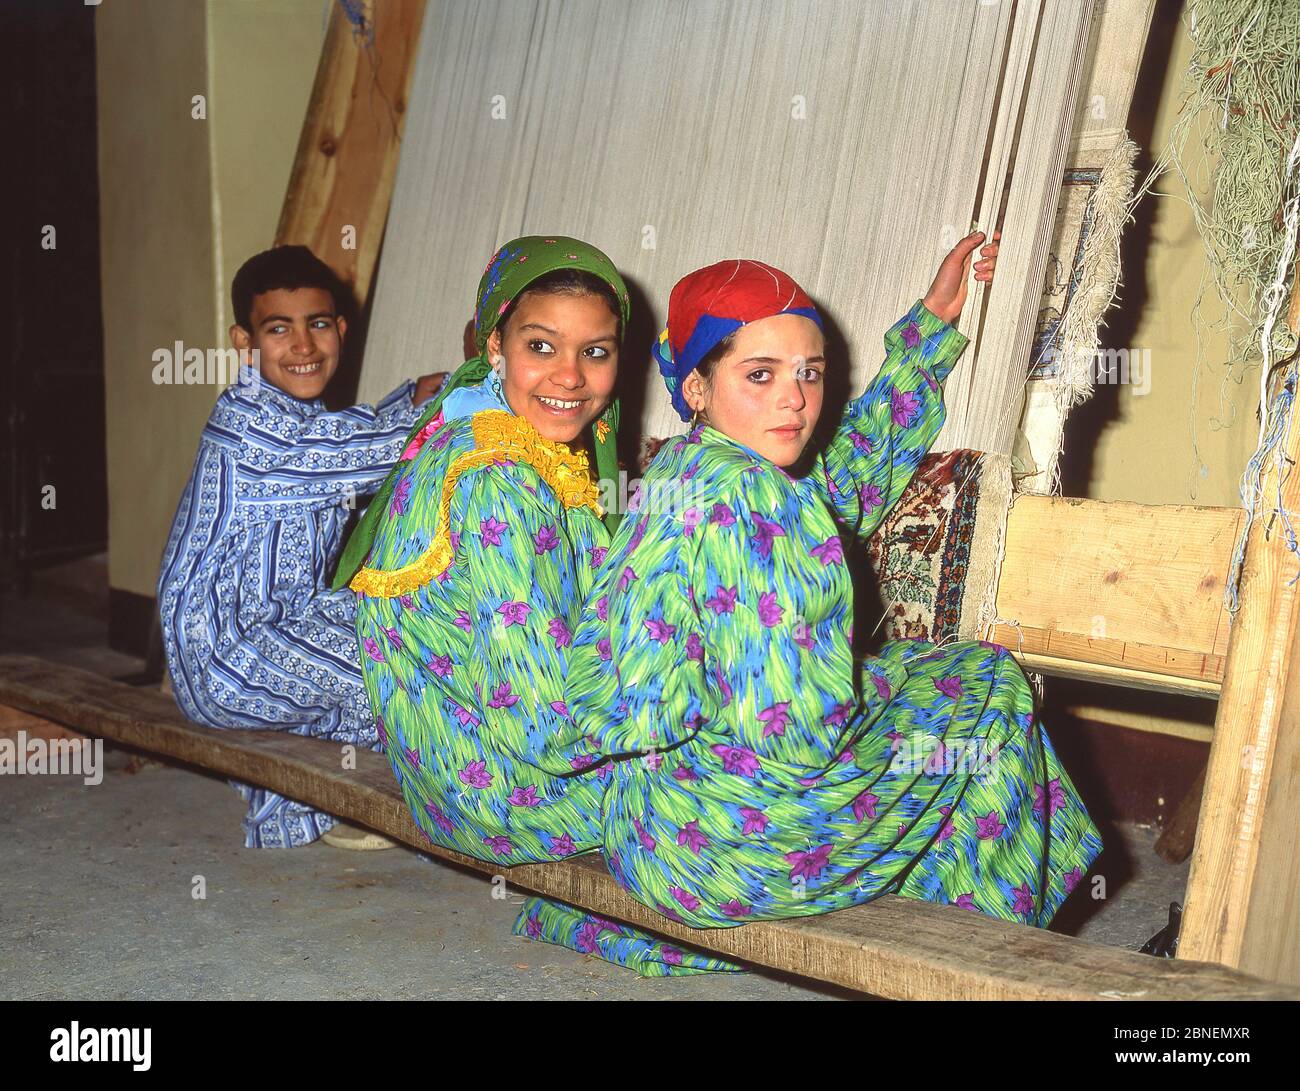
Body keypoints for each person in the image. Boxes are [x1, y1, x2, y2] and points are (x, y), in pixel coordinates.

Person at [547, 236, 1101, 940]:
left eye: (810, 373)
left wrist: (930, 327)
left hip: (647, 831)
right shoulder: (764, 501)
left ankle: (967, 912)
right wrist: (883, 712)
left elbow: (846, 475)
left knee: (924, 677)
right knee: (990, 688)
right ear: (696, 386)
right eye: (760, 375)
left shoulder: (677, 473)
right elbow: (798, 734)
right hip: (737, 850)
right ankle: (978, 947)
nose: (795, 399)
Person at [346, 236, 738, 975]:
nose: (570, 376)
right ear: (495, 344)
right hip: (514, 790)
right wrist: (698, 709)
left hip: (458, 775)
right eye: (541, 346)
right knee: (793, 769)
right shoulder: (501, 479)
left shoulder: (489, 432)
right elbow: (542, 724)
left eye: (595, 353)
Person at [158, 245, 444, 849]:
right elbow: (354, 454)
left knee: (392, 621)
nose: (304, 346)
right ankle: (394, 803)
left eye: (318, 324)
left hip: (279, 630)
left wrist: (408, 396)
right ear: (245, 342)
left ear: (340, 328)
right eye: (278, 329)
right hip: (227, 659)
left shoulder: (292, 415)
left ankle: (299, 806)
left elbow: (339, 433)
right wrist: (451, 408)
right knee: (397, 660)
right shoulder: (247, 425)